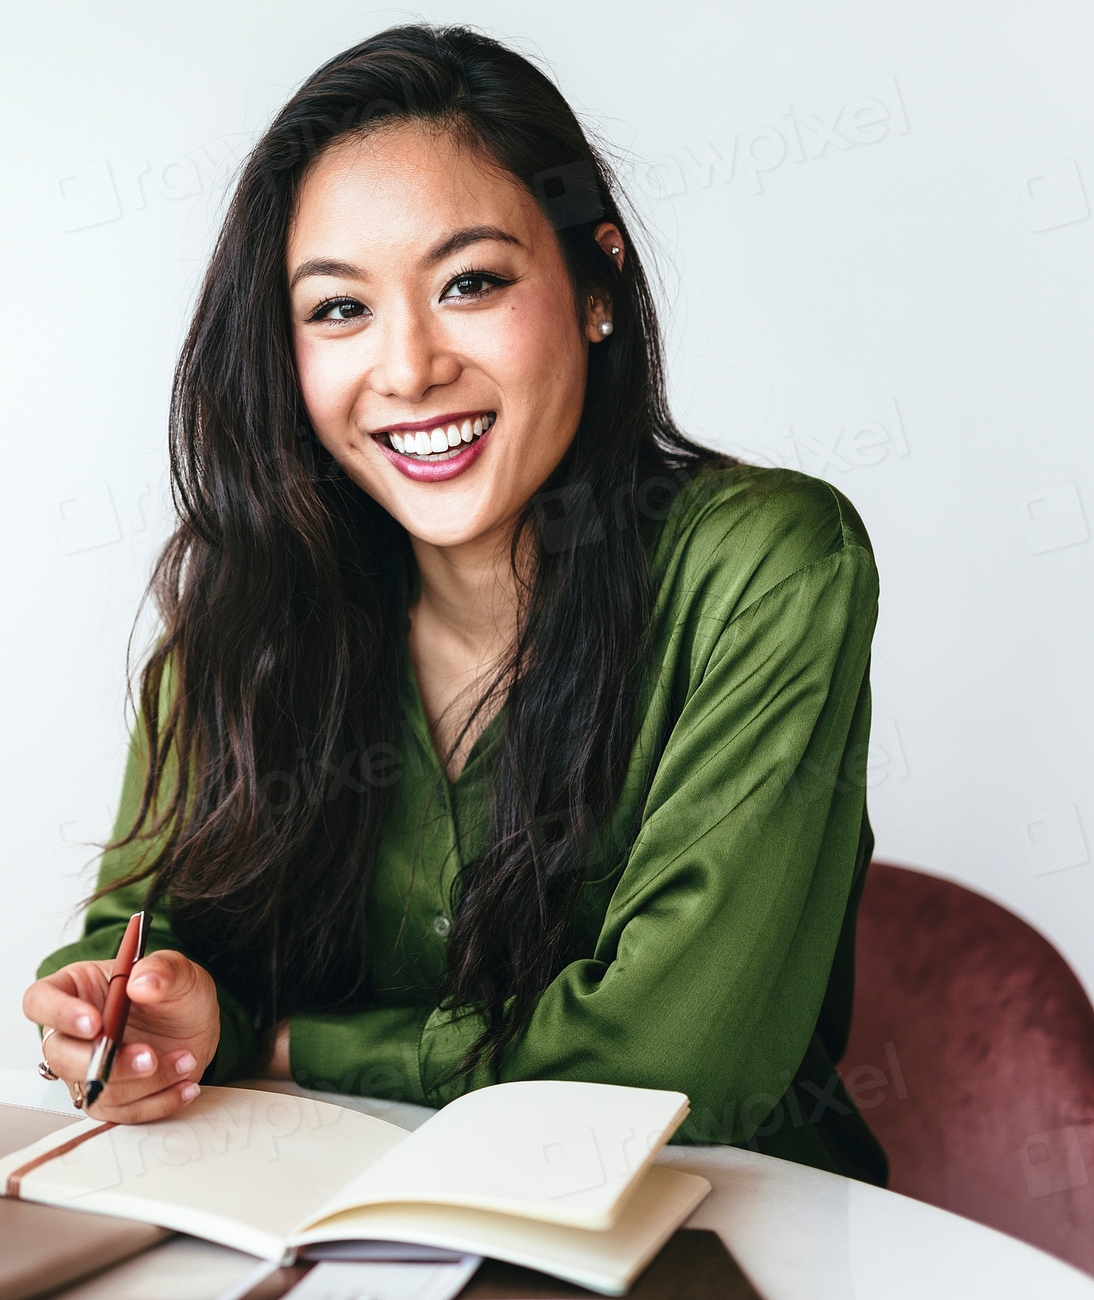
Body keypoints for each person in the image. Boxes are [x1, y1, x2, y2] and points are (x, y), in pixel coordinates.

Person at [23, 23, 885, 1184]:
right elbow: (142, 938)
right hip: (333, 1235)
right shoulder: (240, 629)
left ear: (595, 283)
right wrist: (131, 1017)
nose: (408, 365)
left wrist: (283, 1041)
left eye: (470, 282)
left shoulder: (766, 567)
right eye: (338, 309)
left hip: (706, 1242)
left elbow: (677, 1068)